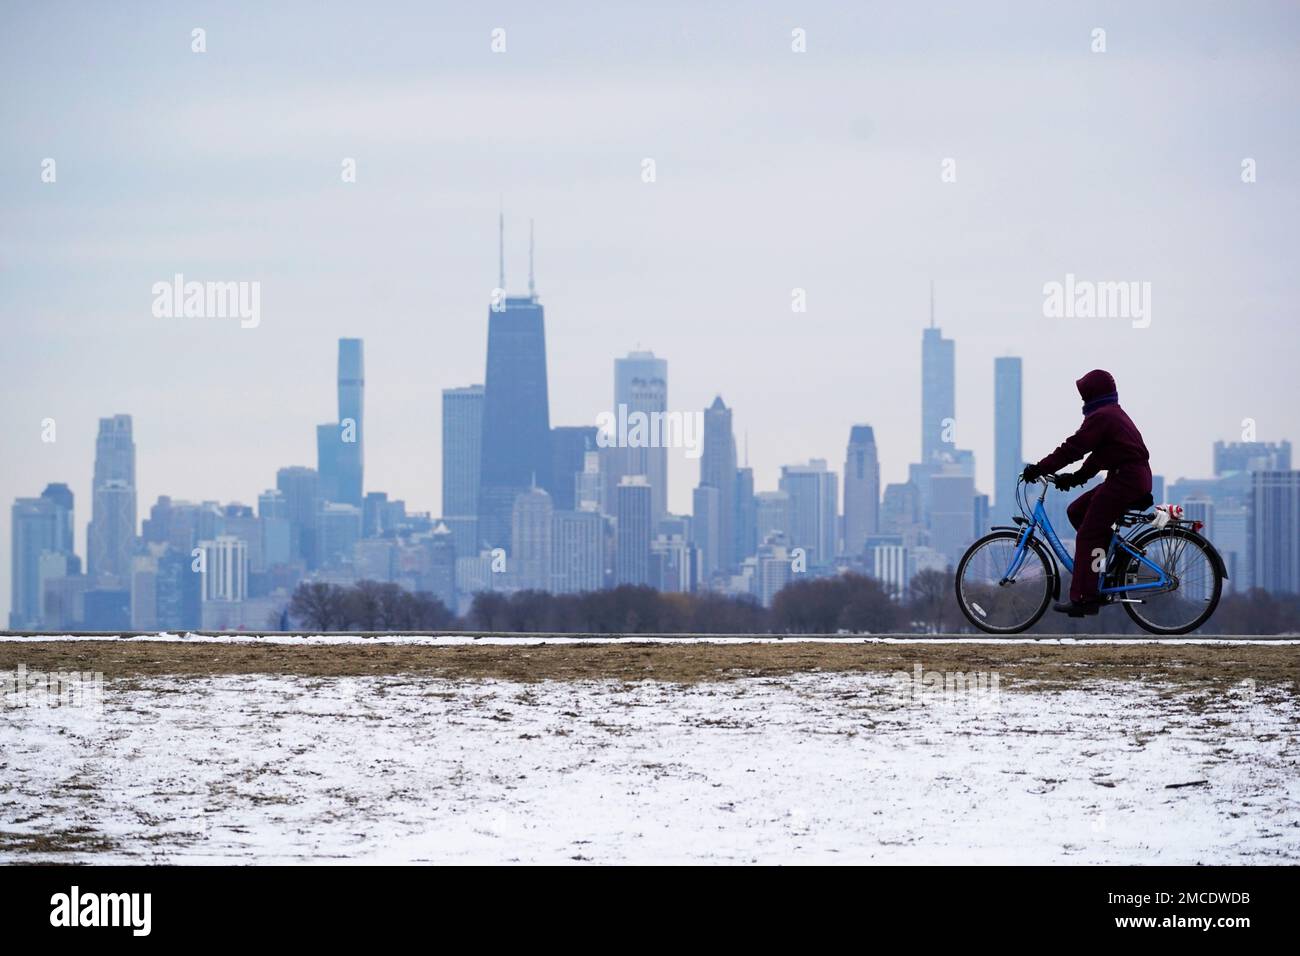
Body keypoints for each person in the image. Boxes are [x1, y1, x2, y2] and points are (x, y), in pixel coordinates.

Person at [1021, 369, 1152, 617]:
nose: (1082, 400)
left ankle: (1085, 598)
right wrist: (1076, 478)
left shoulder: (1103, 416)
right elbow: (1101, 455)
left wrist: (1041, 467)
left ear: (1093, 393)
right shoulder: (1110, 414)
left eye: (1084, 394)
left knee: (1089, 533)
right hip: (1128, 477)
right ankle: (1102, 565)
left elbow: (1075, 447)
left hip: (1127, 479)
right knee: (1077, 511)